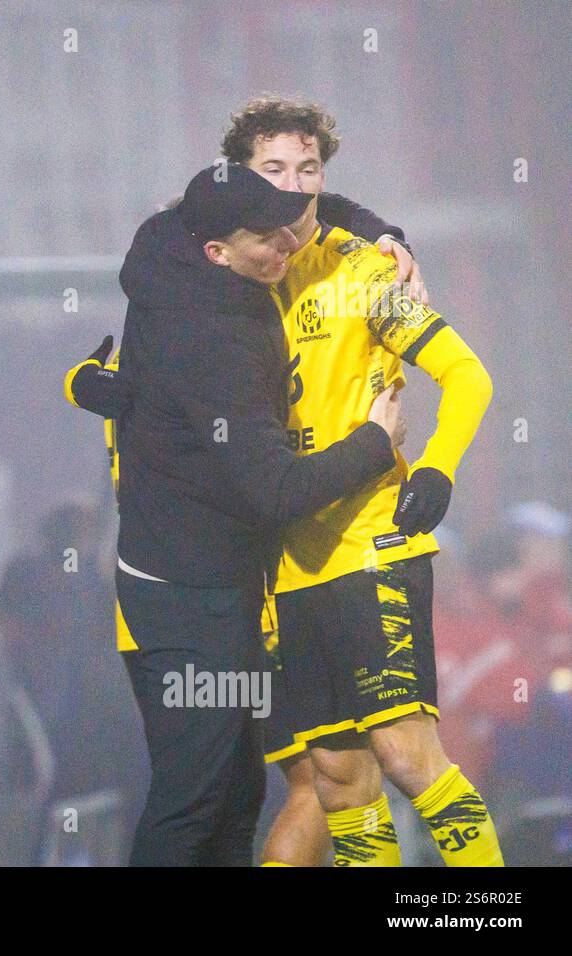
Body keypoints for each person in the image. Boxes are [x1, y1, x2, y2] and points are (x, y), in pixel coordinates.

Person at [66, 163, 406, 866]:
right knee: (197, 797)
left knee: (238, 793)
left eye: (283, 222)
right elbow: (274, 492)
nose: (286, 243)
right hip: (189, 596)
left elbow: (314, 205)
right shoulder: (216, 343)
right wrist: (375, 443)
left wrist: (386, 234)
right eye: (265, 238)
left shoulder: (169, 242)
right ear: (217, 254)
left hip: (204, 579)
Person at [225, 97, 501, 868]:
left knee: (407, 755)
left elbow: (468, 376)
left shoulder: (363, 269)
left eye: (307, 169)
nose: (293, 185)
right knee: (341, 782)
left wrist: (439, 466)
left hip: (370, 543)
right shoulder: (233, 283)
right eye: (273, 169)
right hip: (285, 568)